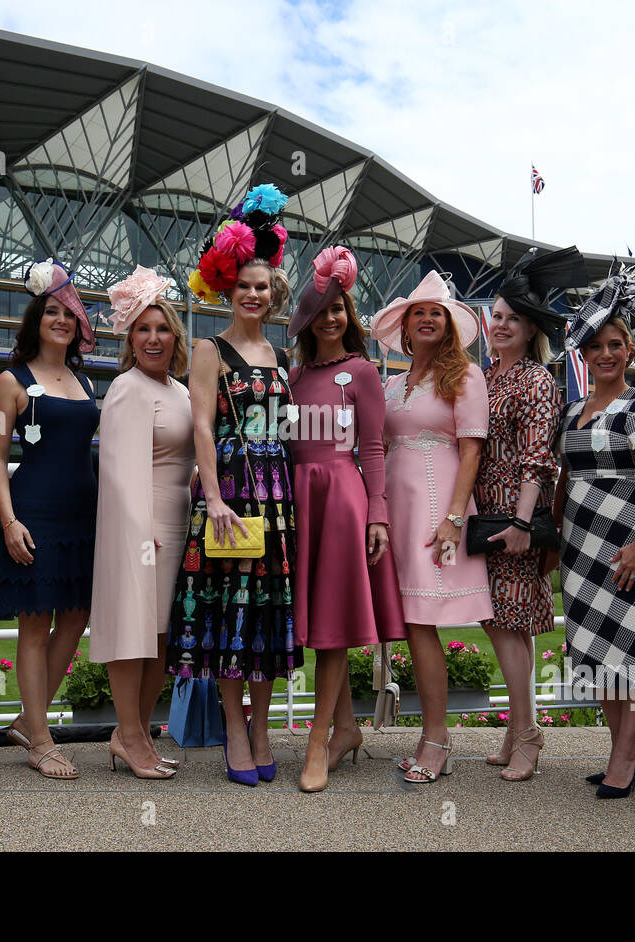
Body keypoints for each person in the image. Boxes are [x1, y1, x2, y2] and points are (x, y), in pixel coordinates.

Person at [169, 183, 300, 787]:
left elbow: (286, 428)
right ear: (229, 288)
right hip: (230, 494)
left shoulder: (278, 355)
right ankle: (231, 729)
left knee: (270, 612)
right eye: (245, 285)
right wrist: (215, 497)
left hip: (276, 493)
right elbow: (200, 424)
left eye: (263, 286)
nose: (254, 293)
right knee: (229, 612)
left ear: (273, 294)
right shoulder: (207, 348)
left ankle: (262, 729)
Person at [554, 269, 635, 799]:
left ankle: (625, 756)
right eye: (595, 346)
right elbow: (563, 479)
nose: (606, 354)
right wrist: (549, 545)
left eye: (616, 344)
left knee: (629, 648)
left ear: (630, 349)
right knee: (595, 650)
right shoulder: (570, 411)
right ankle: (621, 747)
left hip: (632, 540)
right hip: (578, 546)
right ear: (583, 354)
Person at [287, 246, 404, 792]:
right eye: (323, 309)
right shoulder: (291, 377)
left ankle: (317, 742)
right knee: (310, 621)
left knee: (331, 627)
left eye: (340, 308)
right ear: (307, 319)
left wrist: (376, 514)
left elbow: (374, 448)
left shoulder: (361, 372)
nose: (332, 317)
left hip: (342, 499)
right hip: (296, 497)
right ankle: (348, 729)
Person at [371, 270, 492, 783]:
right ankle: (429, 735)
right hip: (394, 509)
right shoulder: (392, 384)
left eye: (435, 313)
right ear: (405, 325)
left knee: (422, 623)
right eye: (418, 312)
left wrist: (454, 519)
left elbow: (472, 451)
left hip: (435, 507)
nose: (425, 319)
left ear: (448, 326)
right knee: (403, 622)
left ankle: (437, 739)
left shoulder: (465, 377)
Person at [475, 247, 586, 782]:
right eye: (495, 316)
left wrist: (522, 523)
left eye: (511, 319)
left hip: (514, 515)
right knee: (499, 621)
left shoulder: (536, 380)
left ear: (530, 327)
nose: (499, 325)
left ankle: (528, 735)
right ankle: (517, 728)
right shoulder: (490, 375)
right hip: (486, 512)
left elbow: (539, 455)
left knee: (509, 623)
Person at [0, 258, 100, 780]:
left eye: (69, 315)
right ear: (36, 319)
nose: (61, 320)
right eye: (51, 312)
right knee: (35, 625)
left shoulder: (85, 381)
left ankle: (26, 721)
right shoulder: (11, 380)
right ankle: (41, 739)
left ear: (79, 327)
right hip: (32, 511)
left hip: (84, 513)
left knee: (75, 619)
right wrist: (8, 521)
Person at [89, 266, 194, 779]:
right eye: (143, 329)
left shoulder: (180, 389)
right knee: (134, 631)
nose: (153, 338)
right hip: (143, 528)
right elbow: (117, 470)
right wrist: (140, 534)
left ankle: (140, 732)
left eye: (162, 328)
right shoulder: (128, 388)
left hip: (178, 525)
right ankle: (127, 734)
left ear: (175, 335)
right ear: (131, 337)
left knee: (160, 636)